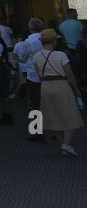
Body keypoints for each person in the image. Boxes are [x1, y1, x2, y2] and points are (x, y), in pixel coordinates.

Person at [30, 28, 84, 156]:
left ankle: (64, 145)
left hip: (46, 87)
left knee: (53, 117)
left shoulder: (36, 56)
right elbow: (70, 75)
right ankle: (66, 144)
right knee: (70, 115)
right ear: (54, 41)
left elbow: (39, 74)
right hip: (62, 86)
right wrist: (77, 90)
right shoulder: (61, 55)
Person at [15, 18, 47, 141]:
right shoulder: (46, 38)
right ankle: (55, 129)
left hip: (33, 75)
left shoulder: (28, 42)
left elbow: (22, 58)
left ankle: (38, 132)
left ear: (30, 28)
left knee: (35, 104)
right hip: (48, 73)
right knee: (49, 103)